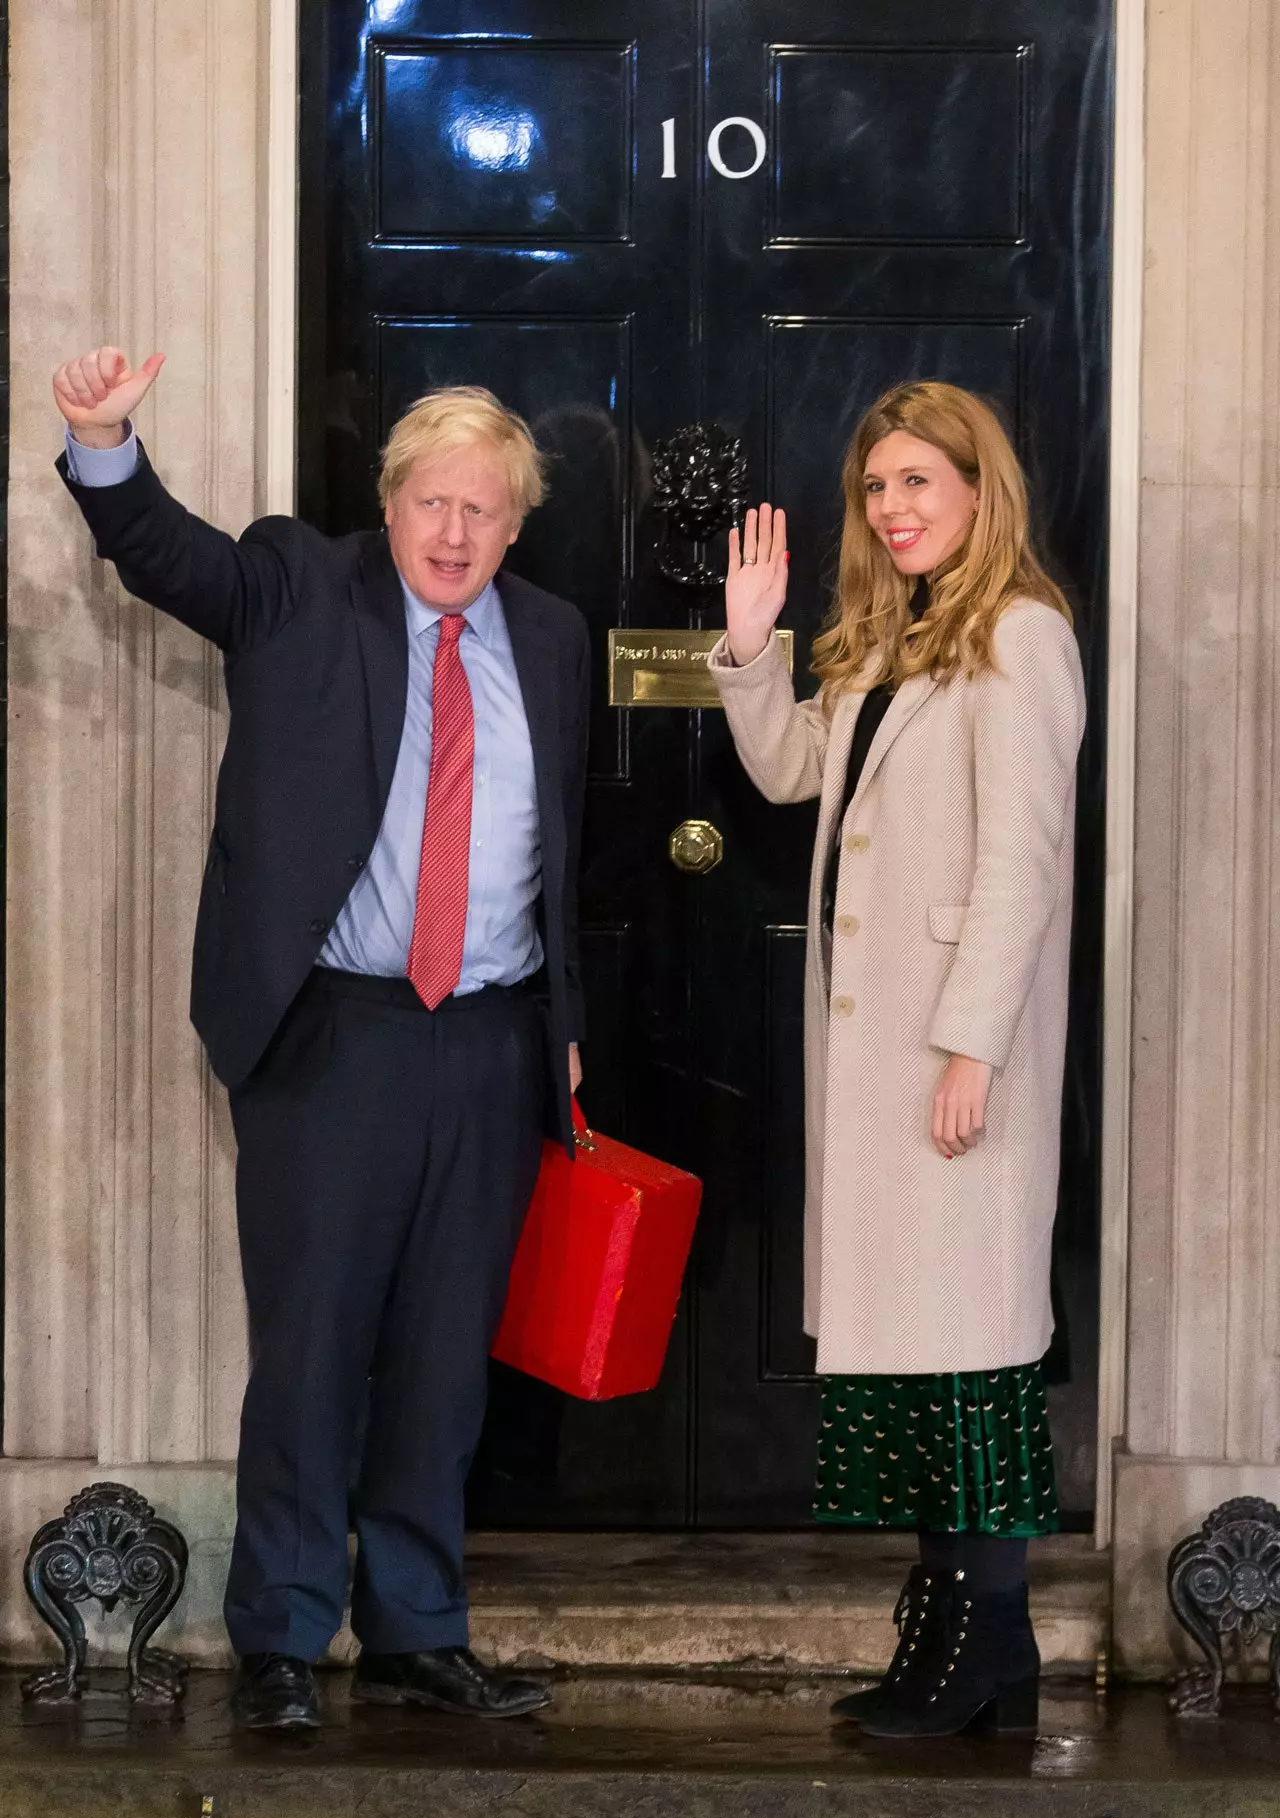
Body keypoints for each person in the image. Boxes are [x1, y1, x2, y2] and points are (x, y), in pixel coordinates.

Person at [52, 347, 589, 1732]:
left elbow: (567, 861)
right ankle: (284, 1633)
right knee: (309, 1343)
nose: (456, 533)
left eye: (484, 511)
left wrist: (564, 1031)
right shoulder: (298, 587)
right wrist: (106, 439)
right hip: (334, 1037)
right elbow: (169, 557)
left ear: (516, 525)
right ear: (391, 504)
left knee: (442, 1352)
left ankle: (417, 1627)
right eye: (433, 504)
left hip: (489, 1043)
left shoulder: (553, 637)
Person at [710, 382, 1085, 1739]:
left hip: (953, 1060)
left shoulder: (1024, 638)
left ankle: (984, 1646)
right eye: (877, 488)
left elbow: (1023, 866)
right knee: (921, 1362)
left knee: (972, 1354)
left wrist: (971, 1047)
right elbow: (792, 773)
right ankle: (954, 1637)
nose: (895, 508)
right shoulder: (882, 641)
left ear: (982, 491)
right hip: (875, 1072)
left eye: (921, 481)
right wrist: (751, 652)